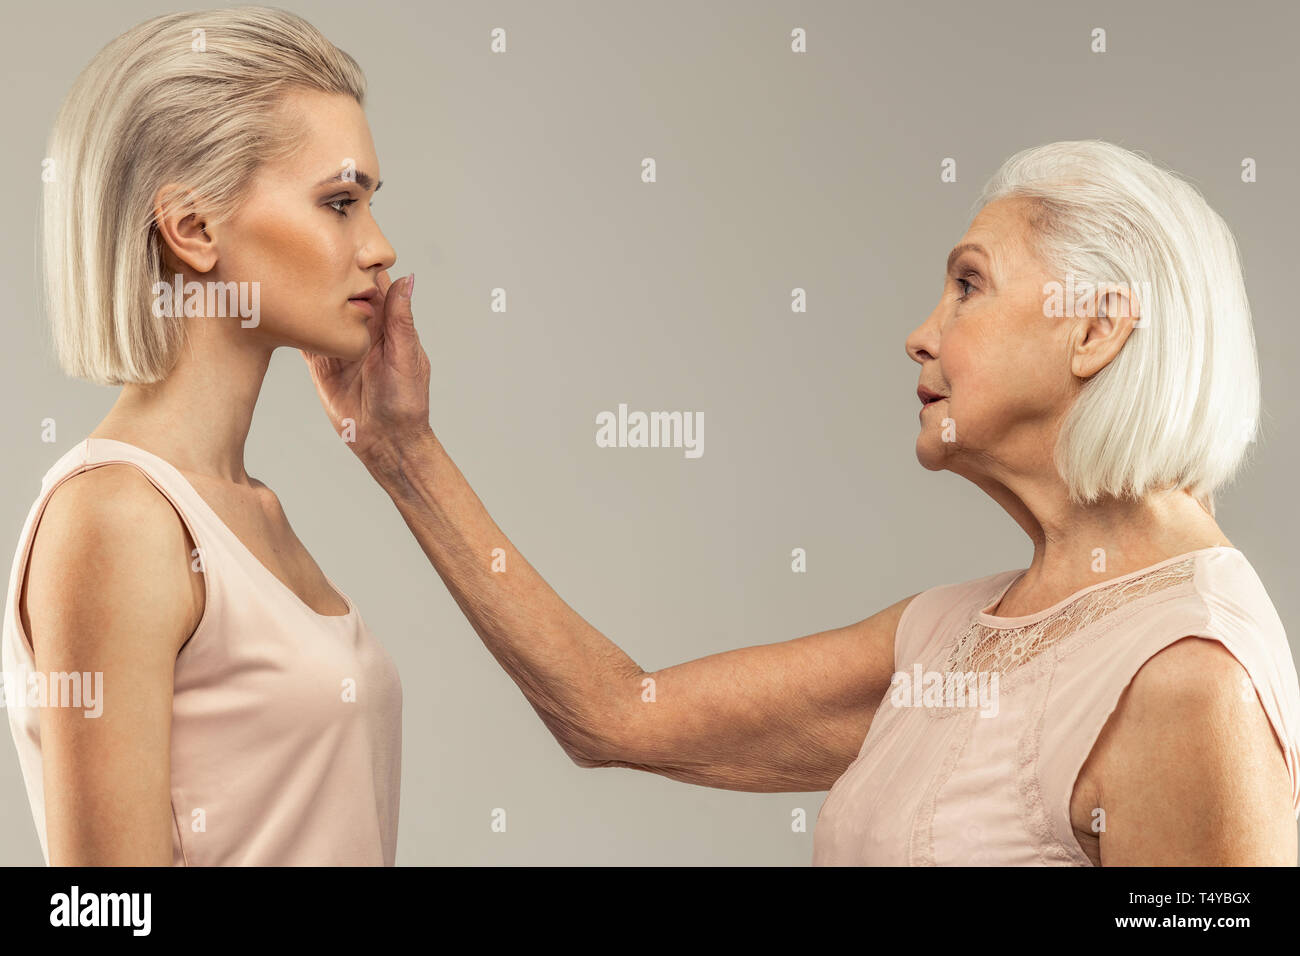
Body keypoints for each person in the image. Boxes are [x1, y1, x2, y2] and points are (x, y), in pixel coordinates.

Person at [305, 139, 1300, 865]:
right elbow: (615, 713)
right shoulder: (953, 636)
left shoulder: (1187, 677)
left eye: (967, 284)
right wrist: (400, 449)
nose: (919, 333)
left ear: (1092, 330)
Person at [3, 8, 403, 865]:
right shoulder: (114, 519)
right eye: (339, 202)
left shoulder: (251, 511)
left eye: (370, 203)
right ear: (192, 228)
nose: (379, 247)